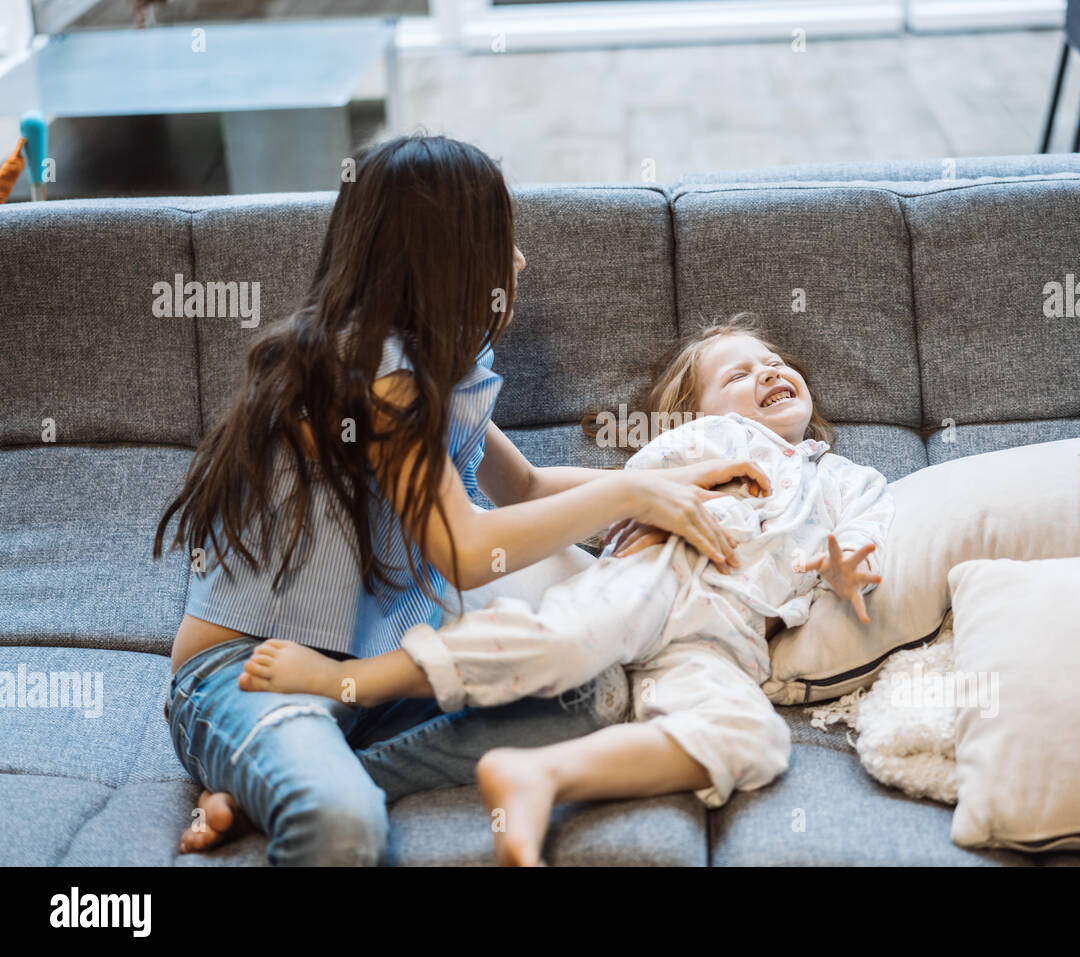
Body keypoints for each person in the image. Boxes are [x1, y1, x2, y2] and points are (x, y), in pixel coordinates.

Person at [153, 136, 768, 865]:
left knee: (596, 693)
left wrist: (664, 487)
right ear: (451, 256)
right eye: (506, 241)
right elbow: (468, 550)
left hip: (358, 690)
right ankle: (297, 779)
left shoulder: (438, 372)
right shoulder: (374, 374)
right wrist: (635, 489)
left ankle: (271, 786)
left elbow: (530, 487)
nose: (521, 262)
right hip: (244, 674)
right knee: (341, 828)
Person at [240, 316, 894, 865]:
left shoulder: (844, 475)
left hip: (723, 638)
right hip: (652, 575)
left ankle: (542, 773)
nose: (768, 373)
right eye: (740, 374)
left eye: (774, 362)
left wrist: (843, 565)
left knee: (754, 737)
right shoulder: (713, 439)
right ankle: (356, 682)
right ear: (695, 414)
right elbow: (644, 475)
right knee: (557, 643)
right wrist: (699, 476)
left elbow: (870, 526)